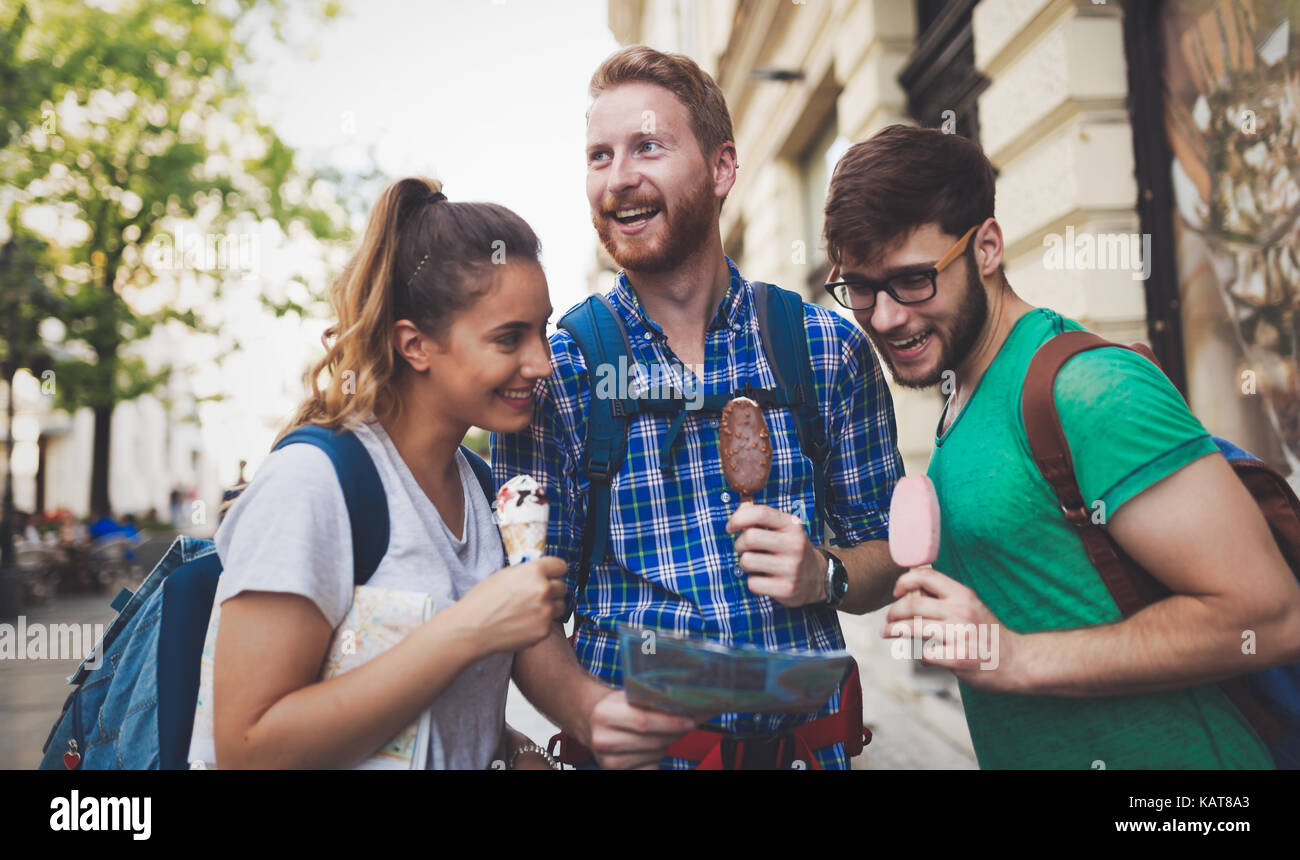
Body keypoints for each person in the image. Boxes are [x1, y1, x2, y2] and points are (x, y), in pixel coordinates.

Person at [820, 123, 1300, 768]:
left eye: (912, 280)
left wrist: (1016, 656)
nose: (884, 316)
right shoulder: (962, 396)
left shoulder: (1085, 385)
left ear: (986, 247)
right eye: (861, 288)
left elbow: (1267, 619)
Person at [493, 46, 905, 769]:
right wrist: (586, 717)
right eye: (599, 155)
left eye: (647, 146)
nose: (619, 178)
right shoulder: (559, 372)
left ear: (721, 169)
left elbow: (889, 553)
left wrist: (825, 573)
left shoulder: (823, 349)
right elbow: (526, 611)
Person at [205, 178, 567, 769]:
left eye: (542, 330)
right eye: (509, 339)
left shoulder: (478, 486)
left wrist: (512, 749)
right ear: (416, 344)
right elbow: (248, 749)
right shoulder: (312, 485)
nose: (541, 362)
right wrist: (468, 630)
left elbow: (410, 711)